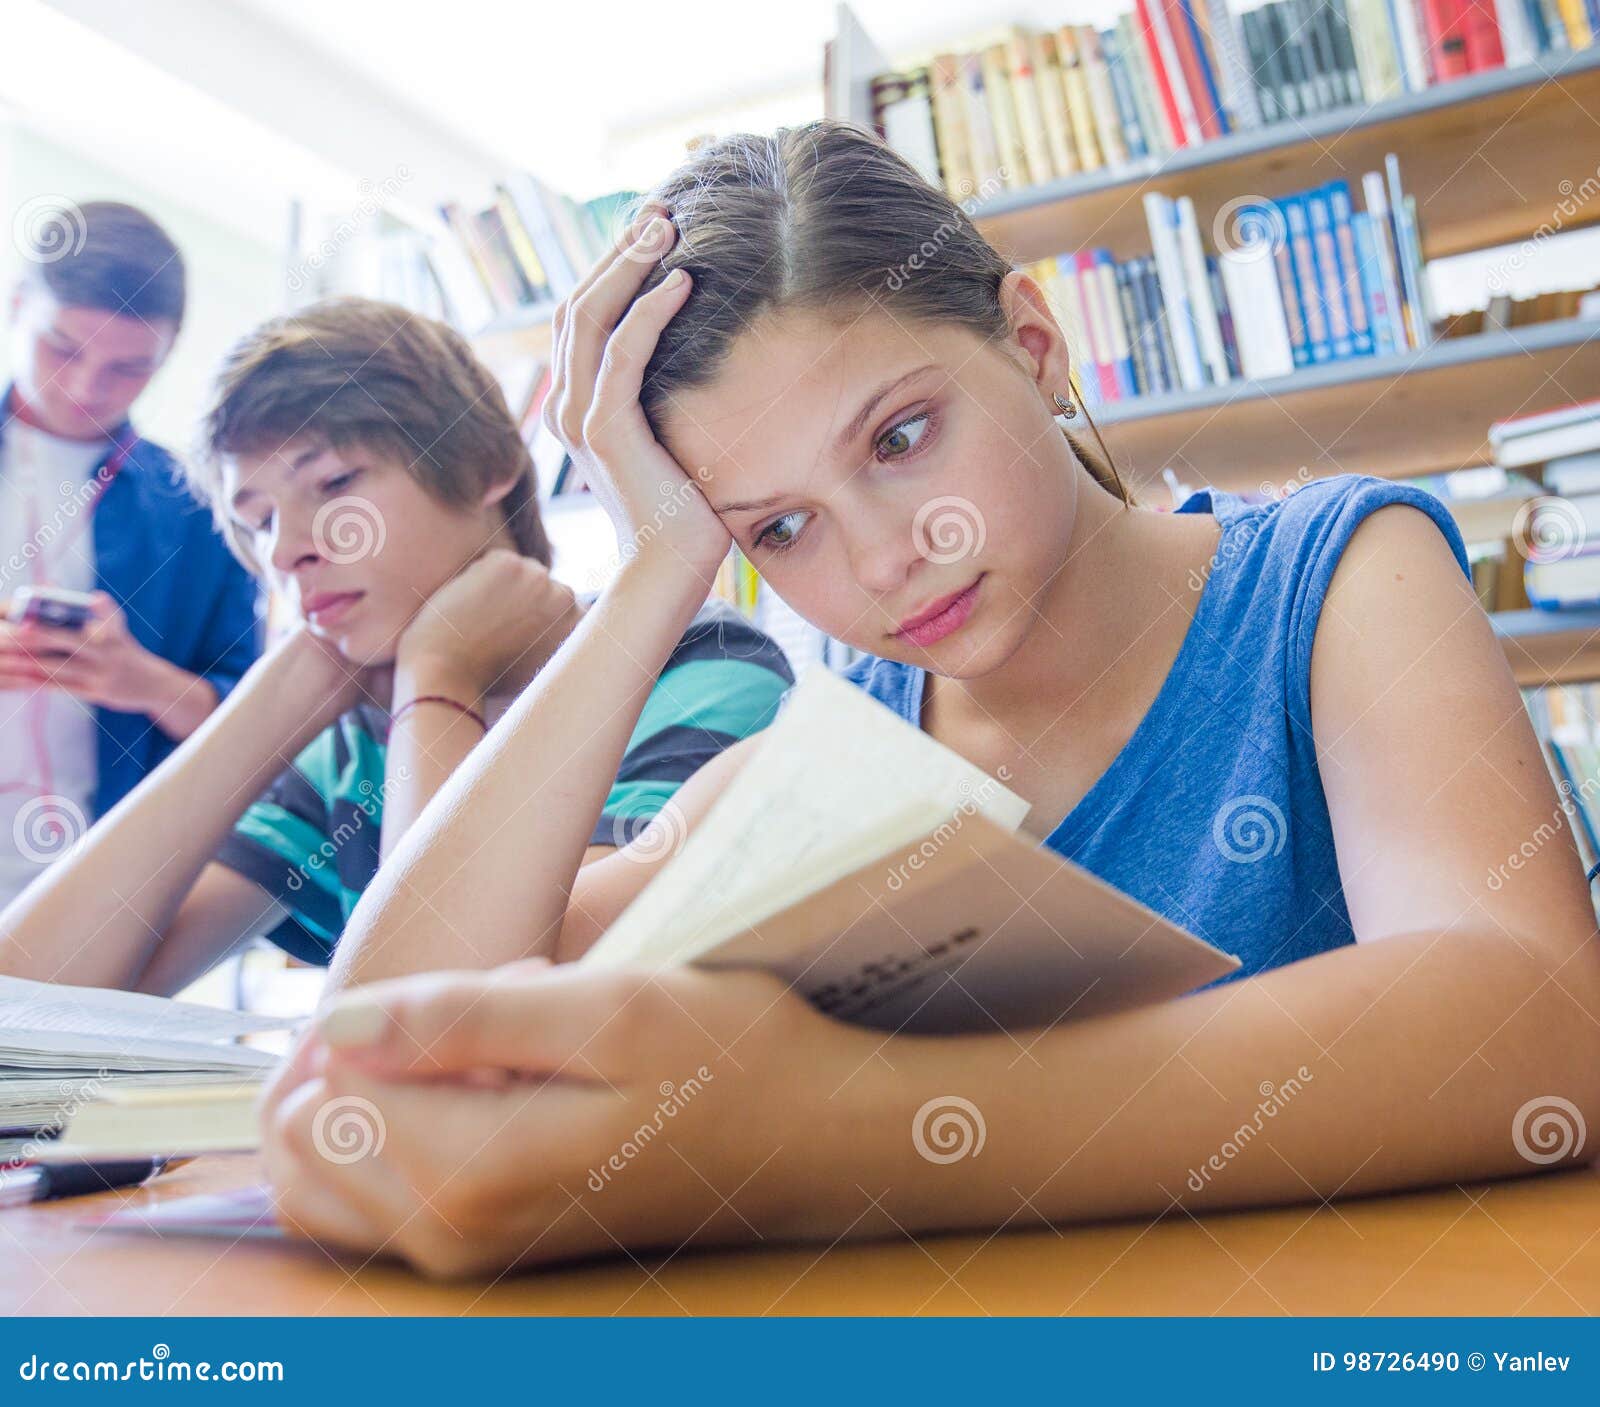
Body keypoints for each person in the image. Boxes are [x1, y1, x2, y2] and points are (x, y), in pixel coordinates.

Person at [261, 122, 1600, 1279]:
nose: (886, 557)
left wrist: (831, 1122)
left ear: (1033, 344)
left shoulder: (1335, 576)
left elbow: (1535, 1020)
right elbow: (401, 1018)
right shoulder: (851, 737)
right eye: (778, 529)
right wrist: (654, 574)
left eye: (901, 438)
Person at [0, 297, 793, 994]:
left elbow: (457, 1020)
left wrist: (442, 676)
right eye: (259, 519)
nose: (286, 552)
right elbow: (25, 1004)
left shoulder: (698, 670)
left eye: (337, 483)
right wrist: (274, 699)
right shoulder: (354, 743)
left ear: (486, 466)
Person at [0, 200, 257, 907]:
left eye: (129, 367)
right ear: (18, 305)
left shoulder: (197, 506)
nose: (86, 387)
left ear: (168, 355)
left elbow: (254, 726)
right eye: (63, 348)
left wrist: (141, 681)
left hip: (95, 889)